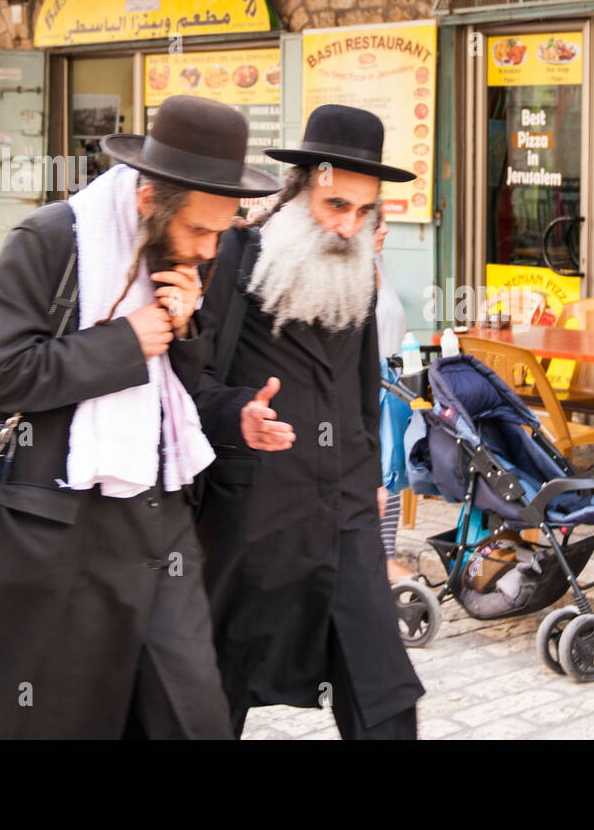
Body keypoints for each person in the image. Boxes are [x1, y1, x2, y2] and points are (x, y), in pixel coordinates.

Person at [0, 95, 281, 739]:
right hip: (60, 529)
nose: (208, 248)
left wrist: (186, 328)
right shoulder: (52, 240)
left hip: (160, 524)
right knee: (45, 715)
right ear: (149, 202)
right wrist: (123, 342)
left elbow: (179, 390)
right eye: (199, 230)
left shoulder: (188, 259)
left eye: (220, 231)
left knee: (194, 712)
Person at [193, 104, 425, 740]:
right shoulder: (234, 260)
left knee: (382, 690)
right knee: (213, 690)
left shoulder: (361, 279)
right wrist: (236, 414)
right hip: (250, 520)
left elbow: (359, 394)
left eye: (362, 211)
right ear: (299, 192)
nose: (348, 225)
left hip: (342, 515)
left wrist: (373, 482)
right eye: (335, 205)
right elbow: (191, 386)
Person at [373, 214, 414, 582]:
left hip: (392, 378)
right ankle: (380, 560)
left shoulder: (376, 262)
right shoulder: (349, 270)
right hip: (373, 382)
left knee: (393, 469)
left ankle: (386, 554)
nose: (385, 229)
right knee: (381, 470)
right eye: (377, 222)